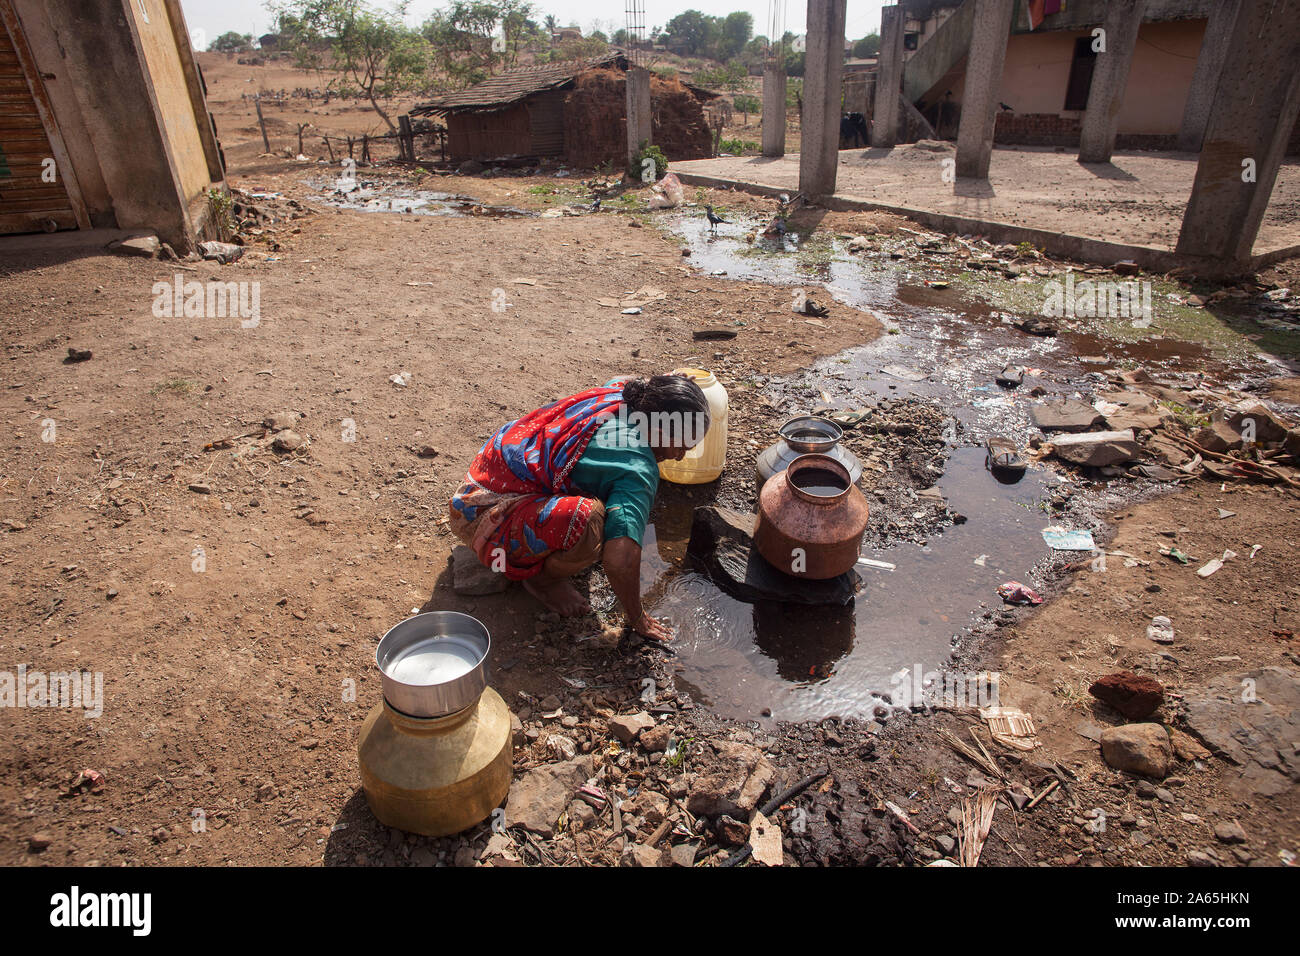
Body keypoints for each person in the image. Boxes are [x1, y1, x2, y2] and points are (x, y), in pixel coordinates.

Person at [448, 374, 710, 642]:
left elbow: (630, 379)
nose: (680, 456)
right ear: (659, 431)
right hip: (482, 516)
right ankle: (543, 582)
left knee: (603, 503)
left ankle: (544, 546)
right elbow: (620, 561)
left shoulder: (623, 395)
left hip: (484, 474)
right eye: (680, 447)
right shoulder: (637, 465)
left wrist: (673, 387)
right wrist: (637, 617)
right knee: (589, 522)